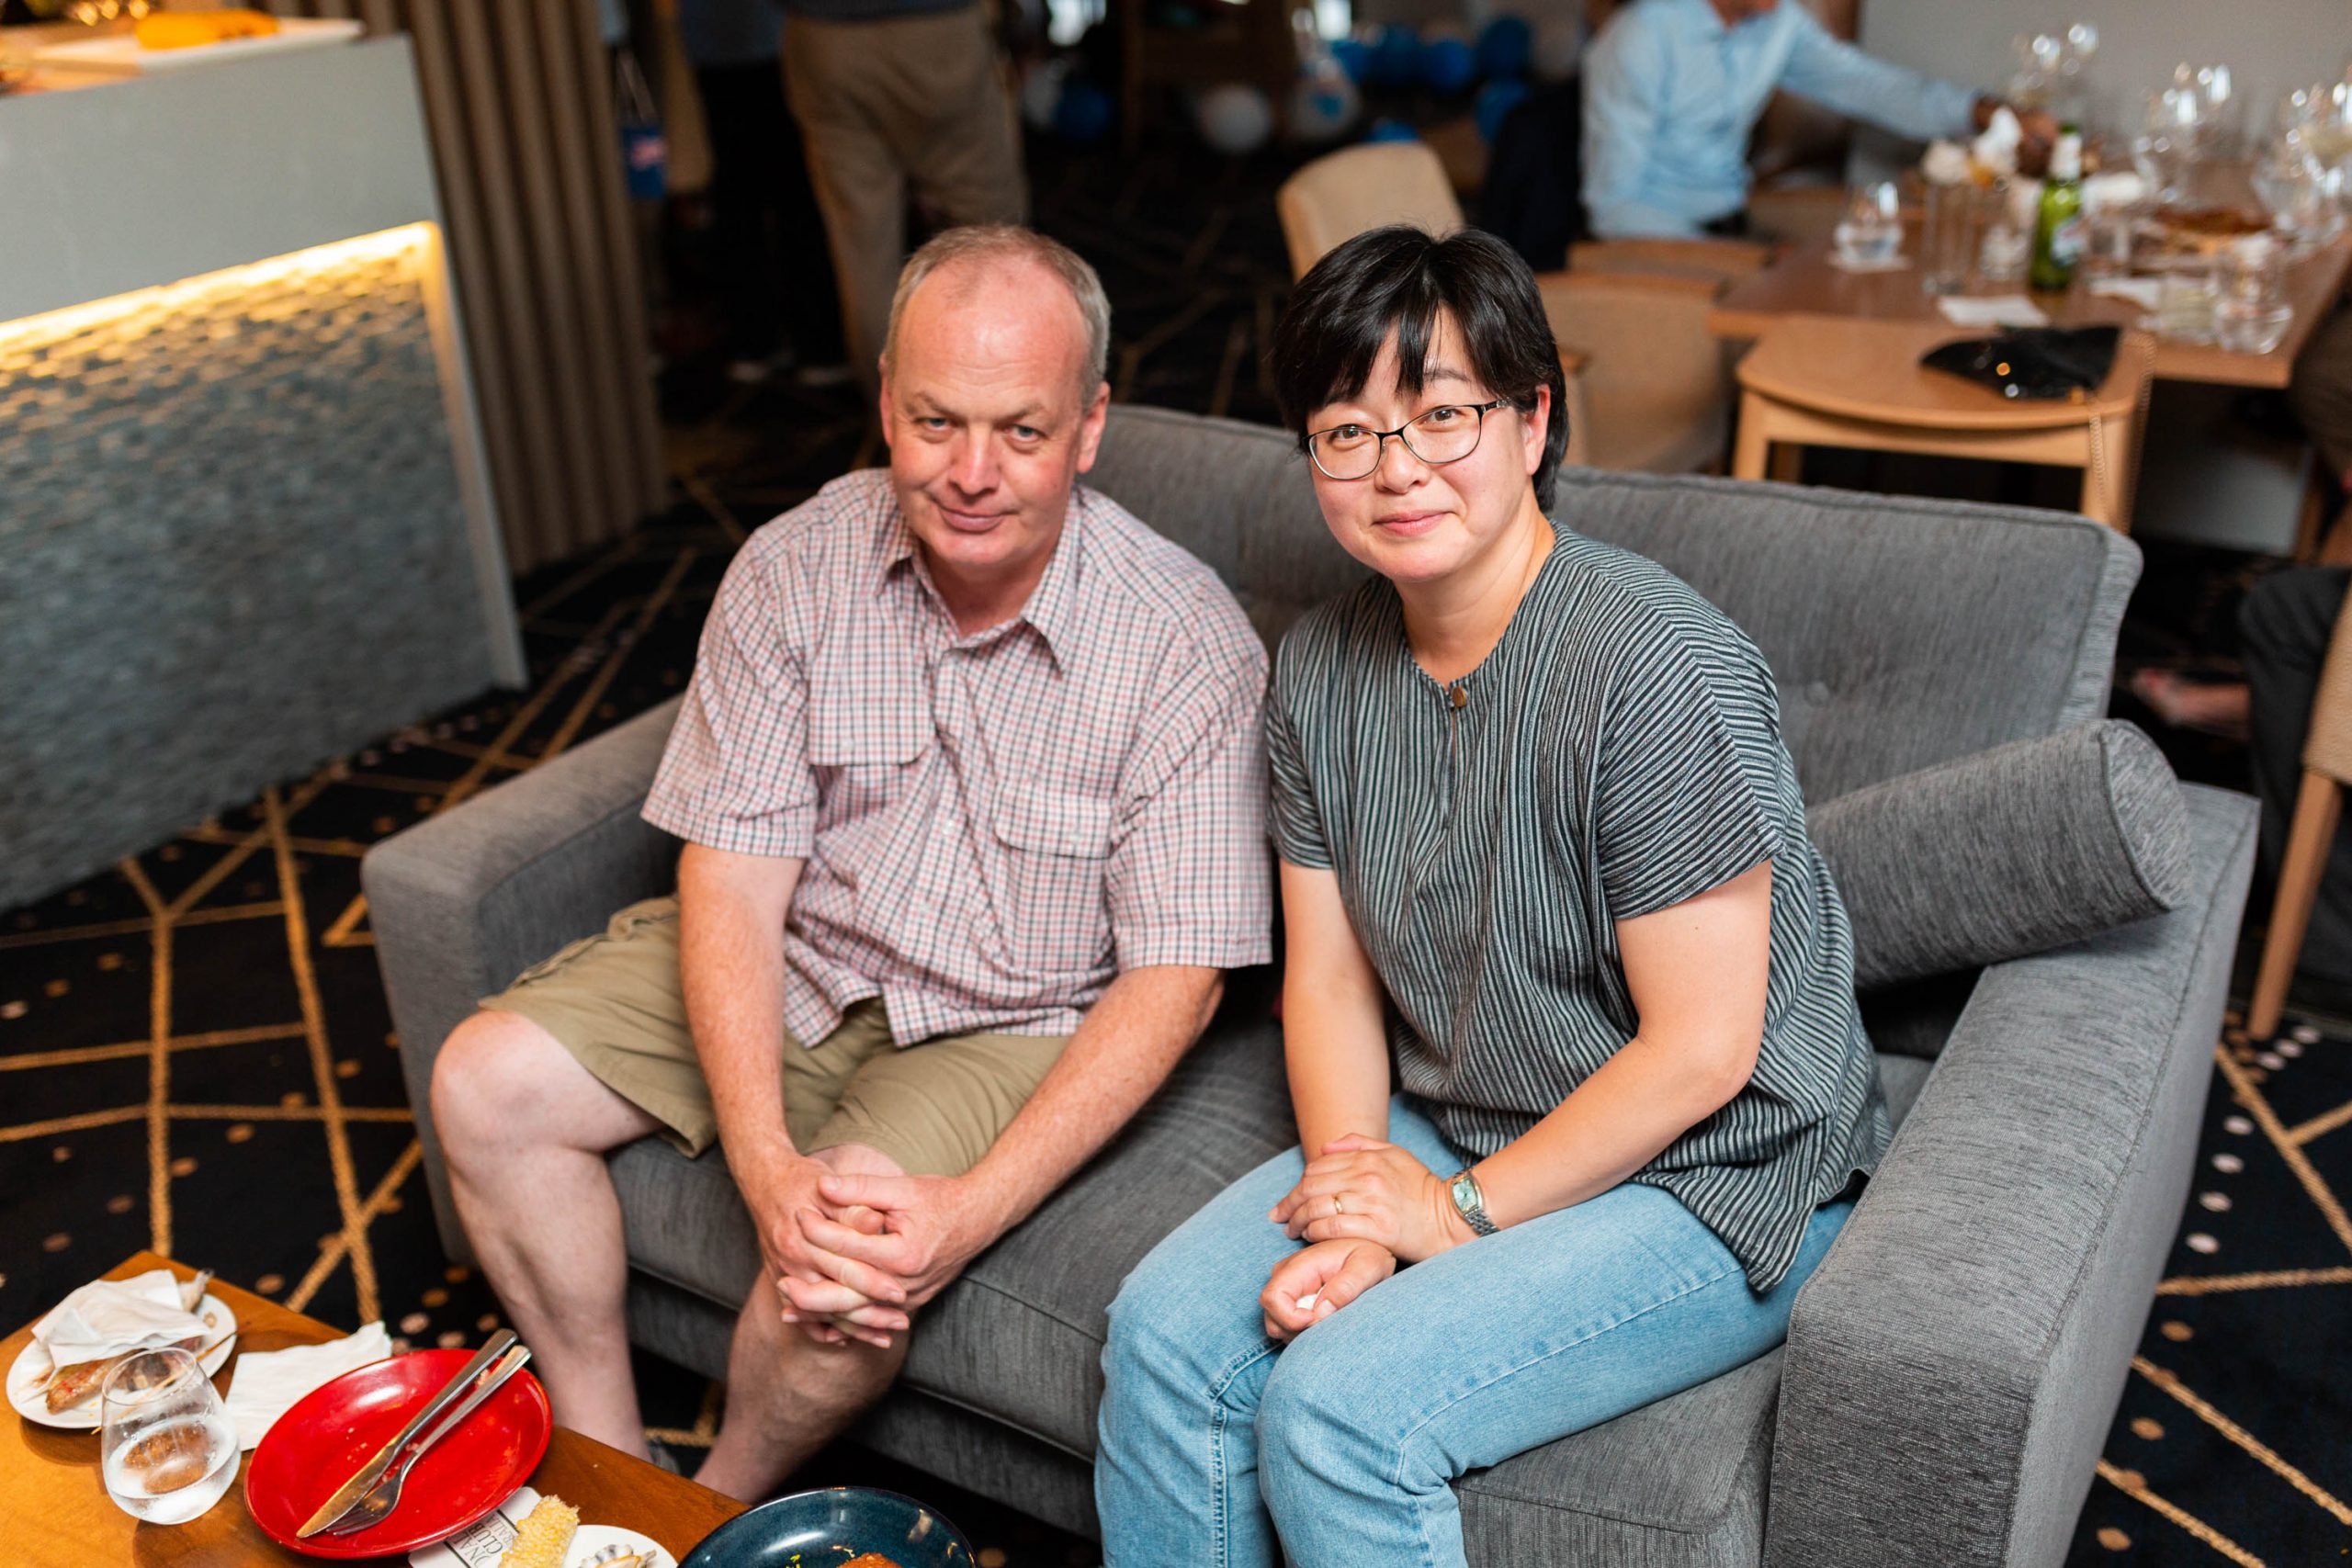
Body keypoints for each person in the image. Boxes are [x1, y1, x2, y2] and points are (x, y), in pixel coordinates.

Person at [429, 225, 1272, 1500]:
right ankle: (609, 1462)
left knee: (847, 1274)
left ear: (1090, 426)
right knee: (484, 1082)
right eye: (935, 422)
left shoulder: (1184, 643)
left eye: (1022, 431)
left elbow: (1178, 980)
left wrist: (966, 1213)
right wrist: (766, 1161)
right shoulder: (791, 566)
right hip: (807, 954)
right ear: (885, 402)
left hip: (1009, 1017)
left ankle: (705, 1509)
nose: (972, 473)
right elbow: (733, 873)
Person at [1093, 225, 1886, 1567]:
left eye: (1442, 415)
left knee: (1341, 1412)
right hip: (1462, 1109)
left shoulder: (1656, 668)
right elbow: (1328, 979)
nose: (1396, 468)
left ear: (1532, 421)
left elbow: (1704, 1050)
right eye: (1347, 432)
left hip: (1716, 1163)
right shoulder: (1317, 670)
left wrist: (1446, 1218)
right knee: (1164, 1341)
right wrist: (1356, 1192)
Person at [1581, 0, 2056, 239]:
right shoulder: (1640, 37)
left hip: (1735, 224)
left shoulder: (1778, 23)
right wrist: (1739, 261)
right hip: (1653, 246)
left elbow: (1870, 85)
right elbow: (1613, 209)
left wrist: (1983, 112)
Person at [778, 0, 1028, 394]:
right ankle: (997, 400)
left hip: (824, 37)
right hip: (936, 29)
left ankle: (897, 415)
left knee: (864, 245)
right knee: (990, 231)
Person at [677, 0, 849, 384]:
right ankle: (819, 345)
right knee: (796, 194)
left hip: (714, 43)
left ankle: (754, 342)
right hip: (780, 38)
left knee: (737, 194)